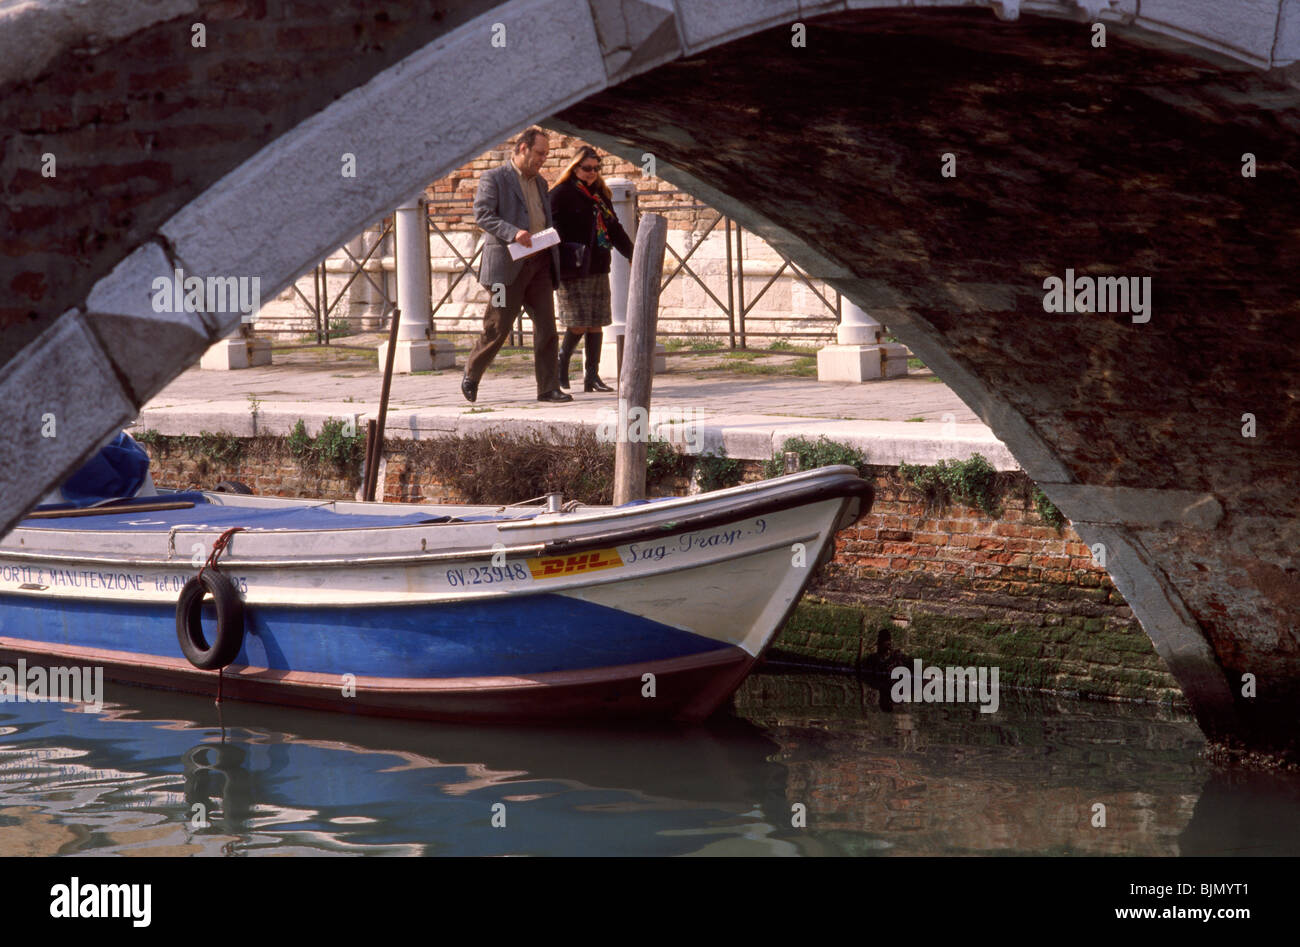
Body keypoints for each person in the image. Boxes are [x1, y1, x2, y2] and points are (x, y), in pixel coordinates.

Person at [462, 127, 570, 403]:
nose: (543, 158)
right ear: (523, 148)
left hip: (539, 265)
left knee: (547, 327)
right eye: (539, 153)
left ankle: (548, 388)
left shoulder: (542, 183)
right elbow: (483, 215)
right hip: (505, 269)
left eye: (546, 154)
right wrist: (513, 233)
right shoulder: (494, 178)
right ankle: (472, 374)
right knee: (498, 327)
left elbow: (542, 218)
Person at [549, 145, 634, 393]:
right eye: (587, 168)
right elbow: (553, 230)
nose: (592, 173)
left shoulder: (600, 194)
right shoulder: (560, 193)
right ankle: (560, 366)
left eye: (596, 168)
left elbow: (614, 228)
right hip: (573, 265)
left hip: (597, 263)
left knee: (597, 320)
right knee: (577, 322)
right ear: (574, 168)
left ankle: (592, 378)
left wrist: (632, 253)